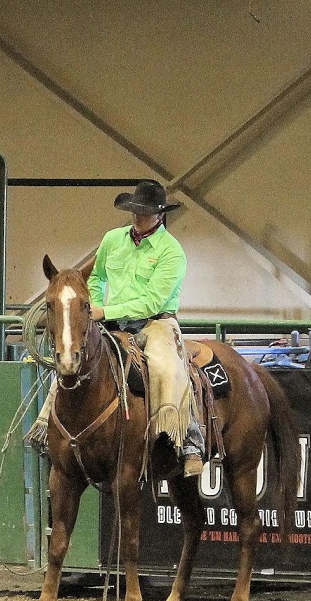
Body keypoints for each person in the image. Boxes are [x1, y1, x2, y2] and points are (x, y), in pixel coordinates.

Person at [32, 180, 203, 477]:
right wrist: (92, 309)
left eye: (145, 212)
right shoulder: (112, 240)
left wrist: (104, 310)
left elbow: (152, 301)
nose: (138, 217)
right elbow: (94, 279)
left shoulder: (171, 252)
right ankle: (47, 424)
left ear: (160, 215)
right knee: (73, 355)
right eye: (135, 211)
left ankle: (188, 439)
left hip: (156, 322)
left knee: (167, 367)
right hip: (109, 320)